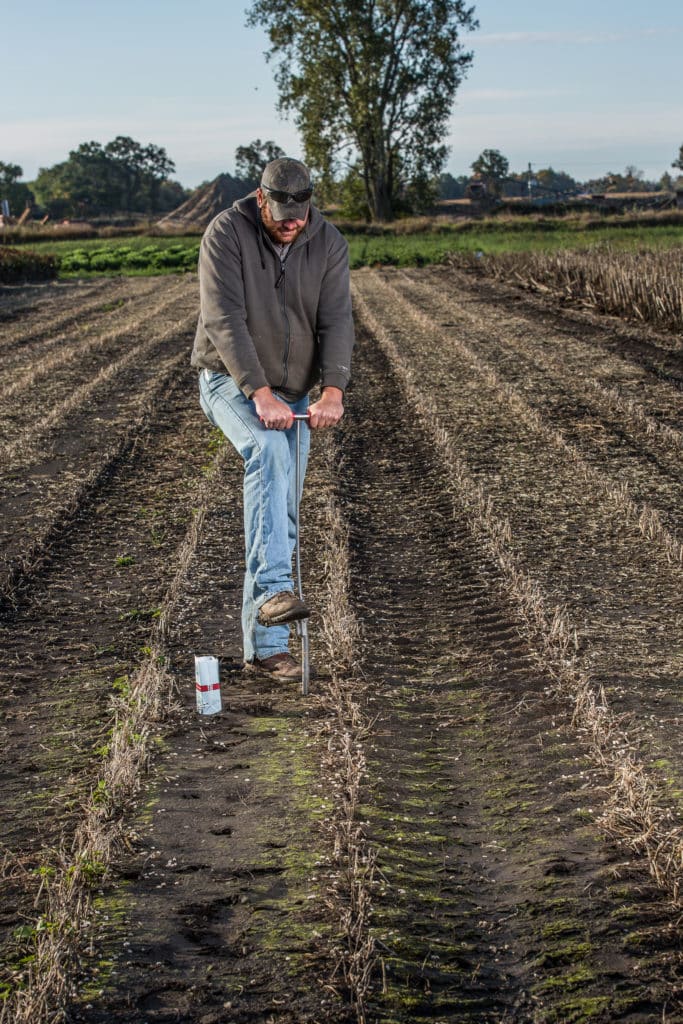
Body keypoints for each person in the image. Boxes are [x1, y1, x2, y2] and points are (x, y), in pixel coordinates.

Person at [192, 157, 354, 680]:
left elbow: (335, 320)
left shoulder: (328, 242)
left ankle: (266, 650)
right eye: (281, 211)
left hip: (293, 389)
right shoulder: (226, 234)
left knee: (280, 503)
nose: (291, 221)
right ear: (261, 199)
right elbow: (224, 317)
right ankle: (275, 593)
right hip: (229, 380)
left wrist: (332, 389)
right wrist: (258, 392)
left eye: (300, 211)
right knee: (265, 452)